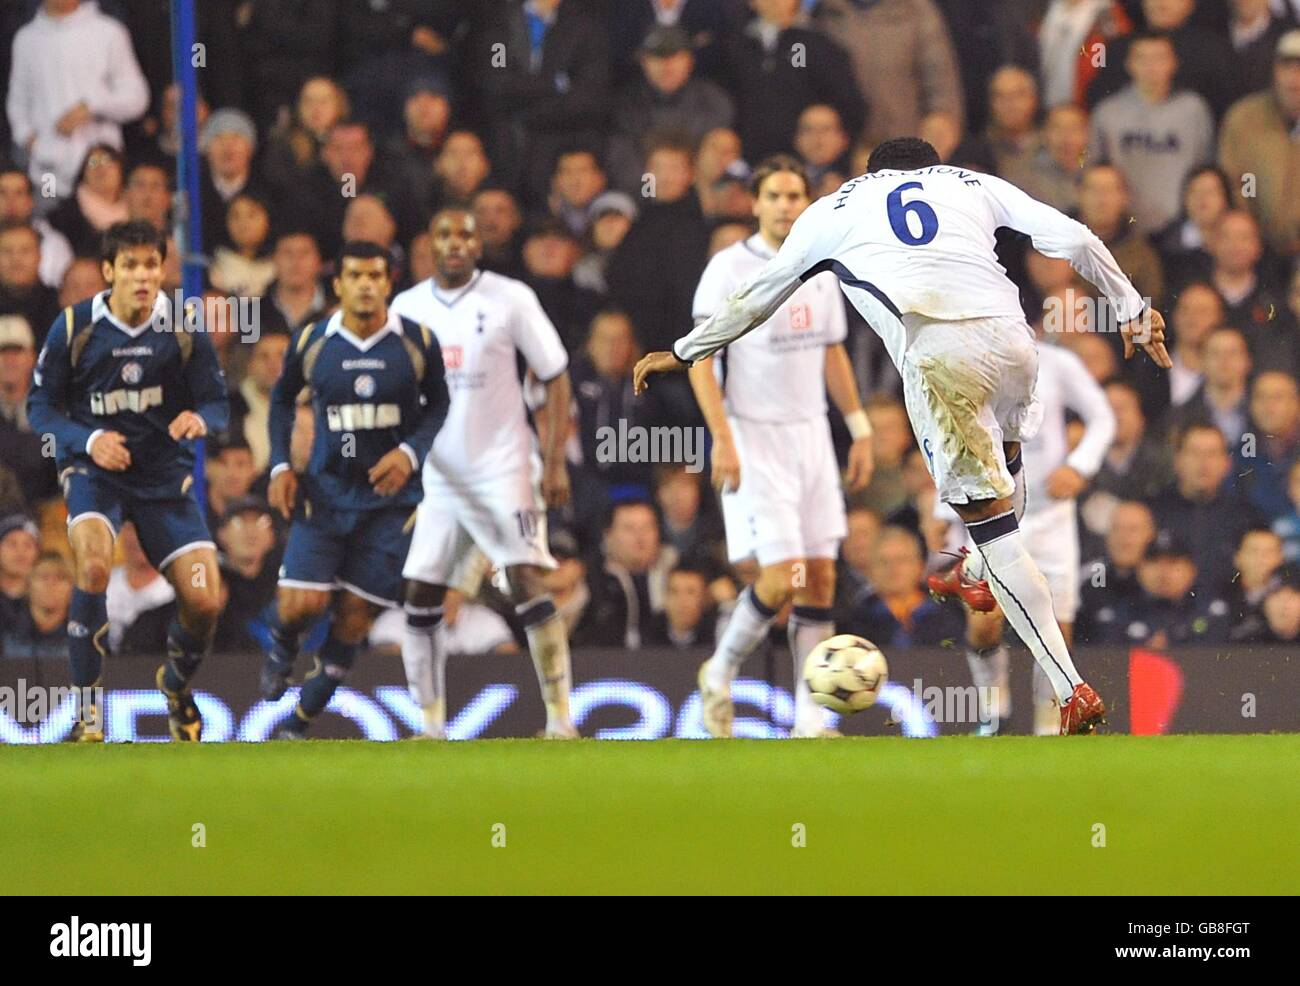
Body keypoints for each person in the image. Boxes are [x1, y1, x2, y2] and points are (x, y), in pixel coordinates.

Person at [635, 137, 1172, 735]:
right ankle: (976, 569)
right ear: (929, 164)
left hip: (940, 350)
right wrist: (1130, 308)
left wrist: (686, 352)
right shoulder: (971, 182)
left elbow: (760, 295)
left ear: (873, 174)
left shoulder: (835, 208)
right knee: (1009, 460)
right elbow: (1073, 237)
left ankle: (1068, 686)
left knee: (992, 528)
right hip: (1014, 341)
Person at [688, 156, 874, 739]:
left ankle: (810, 721)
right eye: (775, 195)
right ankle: (717, 673)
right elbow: (700, 357)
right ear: (755, 203)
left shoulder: (822, 267)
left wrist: (860, 427)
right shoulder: (728, 268)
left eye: (795, 195)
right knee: (781, 579)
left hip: (812, 434)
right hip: (753, 434)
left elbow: (832, 351)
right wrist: (722, 438)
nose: (786, 205)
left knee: (819, 579)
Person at [26, 220, 229, 741]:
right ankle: (88, 713)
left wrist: (200, 419)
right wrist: (90, 441)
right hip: (96, 474)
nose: (143, 276)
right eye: (132, 265)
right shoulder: (74, 328)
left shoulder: (183, 328)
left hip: (163, 479)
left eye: (152, 265)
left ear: (163, 270)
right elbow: (41, 408)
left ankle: (176, 686)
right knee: (93, 567)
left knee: (205, 599)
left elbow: (216, 402)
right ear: (109, 271)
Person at [389, 208, 577, 740]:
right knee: (421, 593)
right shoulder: (406, 307)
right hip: (440, 476)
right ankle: (430, 726)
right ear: (429, 242)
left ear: (478, 244)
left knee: (524, 578)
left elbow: (556, 376)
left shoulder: (510, 298)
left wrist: (555, 459)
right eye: (444, 233)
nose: (454, 243)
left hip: (505, 469)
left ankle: (561, 721)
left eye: (465, 234)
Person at [260, 241, 450, 738]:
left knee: (354, 616)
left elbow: (439, 406)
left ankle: (301, 722)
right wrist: (281, 464)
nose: (365, 285)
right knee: (302, 606)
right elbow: (281, 403)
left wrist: (409, 454)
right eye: (354, 276)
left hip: (391, 505)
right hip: (325, 493)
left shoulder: (417, 343)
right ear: (338, 284)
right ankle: (283, 646)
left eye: (375, 276)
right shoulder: (313, 341)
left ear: (389, 283)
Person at [929, 329, 1116, 736]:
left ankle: (1050, 727)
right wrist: (939, 510)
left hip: (1050, 514)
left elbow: (1103, 416)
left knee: (1056, 622)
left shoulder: (1056, 362)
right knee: (985, 617)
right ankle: (993, 713)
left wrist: (1080, 466)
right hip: (989, 506)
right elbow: (941, 429)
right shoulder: (962, 359)